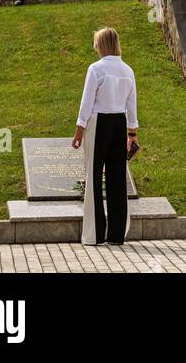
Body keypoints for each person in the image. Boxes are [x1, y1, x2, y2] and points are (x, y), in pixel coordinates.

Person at [72, 27, 139, 246]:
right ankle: (117, 234)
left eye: (95, 43)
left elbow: (87, 101)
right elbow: (132, 105)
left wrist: (79, 129)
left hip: (98, 123)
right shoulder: (128, 70)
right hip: (119, 123)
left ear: (101, 44)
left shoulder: (96, 69)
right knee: (117, 178)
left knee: (93, 177)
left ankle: (95, 234)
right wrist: (132, 134)